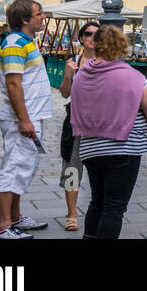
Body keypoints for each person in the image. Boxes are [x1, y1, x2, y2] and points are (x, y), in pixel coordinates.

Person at [71, 25, 147, 238]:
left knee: (97, 201)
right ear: (121, 46)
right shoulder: (132, 77)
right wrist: (143, 125)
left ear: (96, 45)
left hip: (91, 147)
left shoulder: (82, 74)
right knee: (114, 207)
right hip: (124, 148)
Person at [0, 0, 52, 240]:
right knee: (13, 169)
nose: (43, 18)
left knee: (23, 168)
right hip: (23, 117)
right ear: (25, 20)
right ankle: (4, 225)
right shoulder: (14, 43)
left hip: (30, 115)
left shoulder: (26, 42)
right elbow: (13, 83)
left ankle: (15, 218)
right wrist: (24, 119)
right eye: (39, 14)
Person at [58, 20, 100, 232]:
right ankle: (72, 213)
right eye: (89, 34)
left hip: (99, 126)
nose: (93, 38)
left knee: (99, 172)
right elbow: (65, 93)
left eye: (97, 34)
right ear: (82, 38)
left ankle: (98, 209)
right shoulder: (74, 61)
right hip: (76, 123)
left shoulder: (108, 61)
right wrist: (68, 75)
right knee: (72, 170)